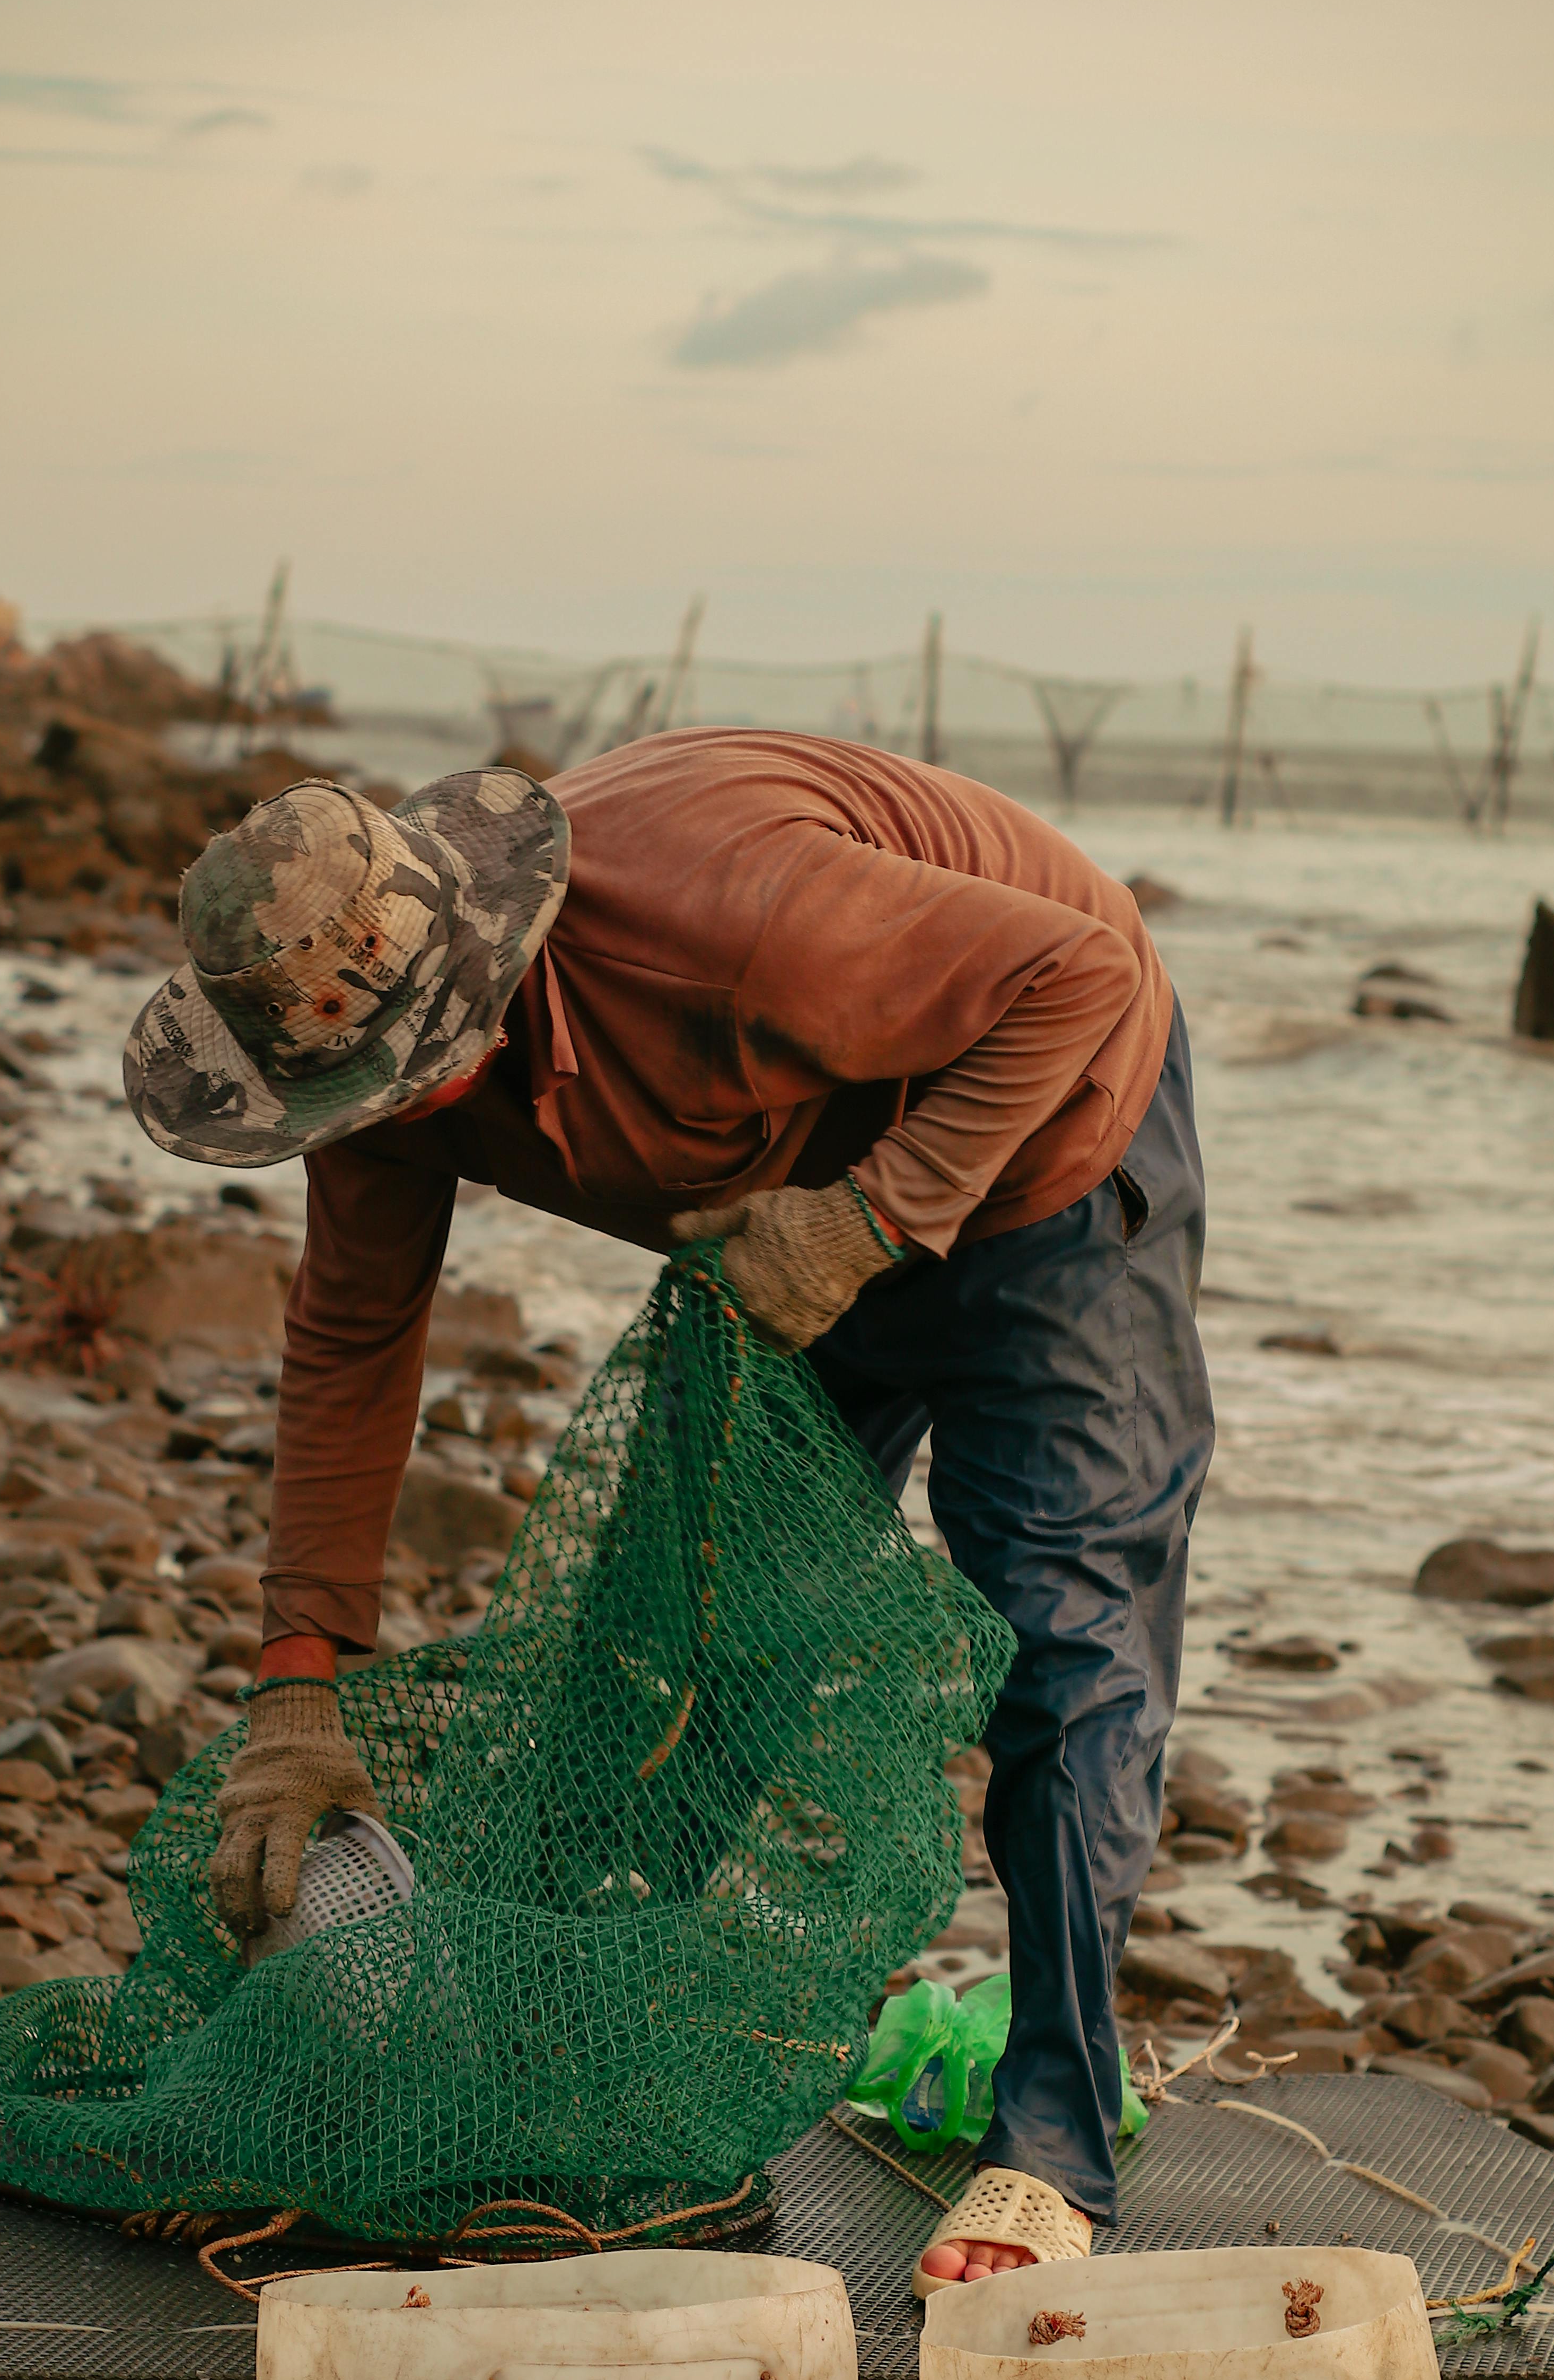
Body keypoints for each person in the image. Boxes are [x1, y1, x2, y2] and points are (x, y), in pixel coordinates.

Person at [124, 733, 1213, 2290]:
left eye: (401, 1085)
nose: (378, 1119)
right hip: (787, 1201)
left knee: (1059, 1637)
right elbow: (354, 1340)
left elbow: (1083, 976)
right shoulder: (356, 1068)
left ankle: (1053, 2139)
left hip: (1043, 1130)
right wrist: (298, 1688)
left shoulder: (736, 922)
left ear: (482, 992)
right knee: (690, 1637)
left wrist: (871, 1221)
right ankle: (577, 2081)